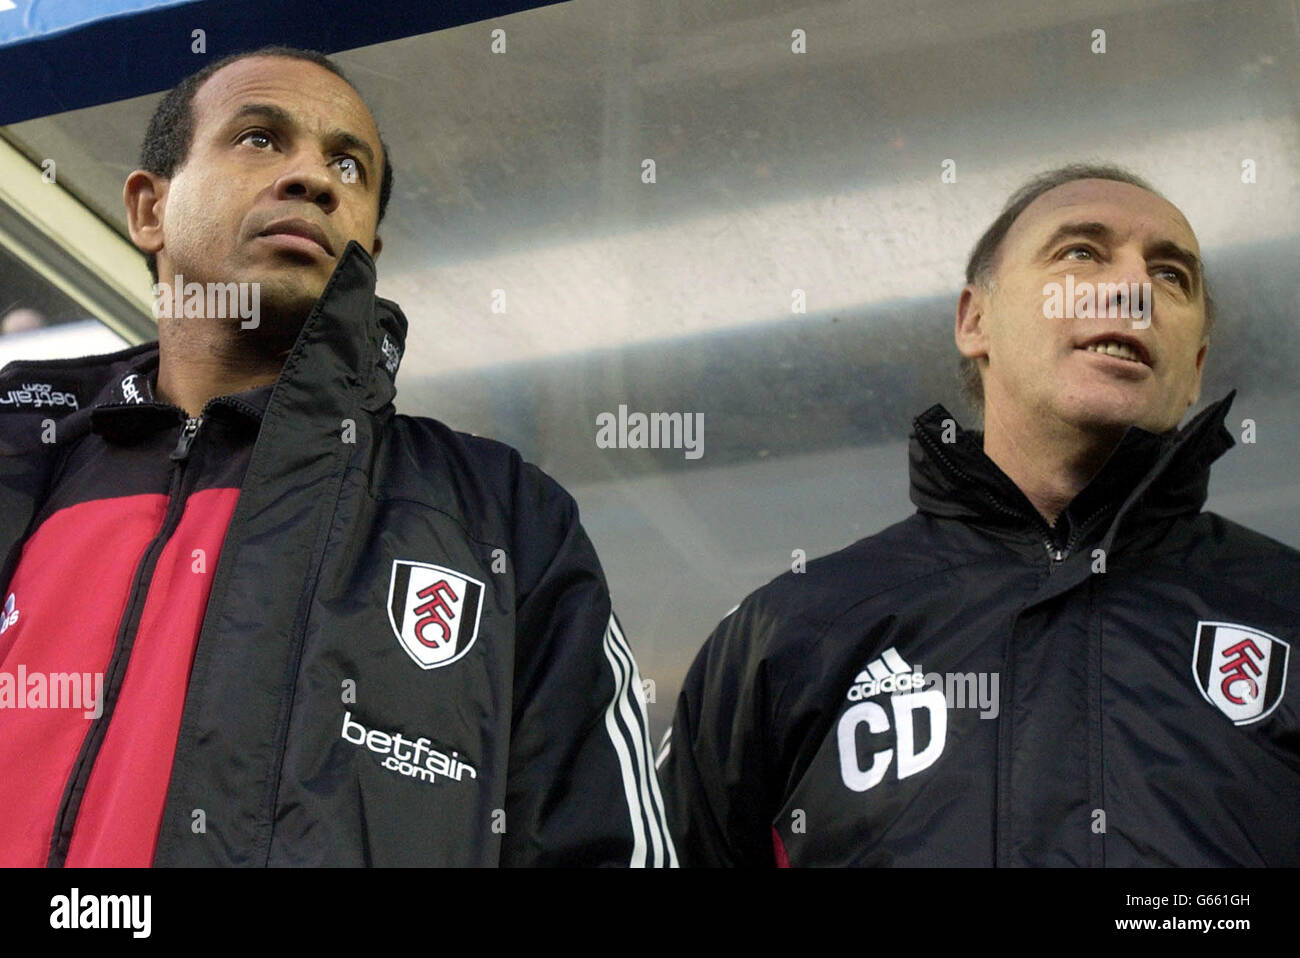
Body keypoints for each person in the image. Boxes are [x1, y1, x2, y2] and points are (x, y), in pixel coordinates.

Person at [0, 45, 674, 867]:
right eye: (258, 138)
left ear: (368, 250)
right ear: (150, 208)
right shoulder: (23, 459)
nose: (314, 179)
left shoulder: (502, 519)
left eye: (348, 166)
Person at [657, 164, 1299, 866]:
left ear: (1196, 366)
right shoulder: (790, 632)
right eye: (1080, 253)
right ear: (975, 320)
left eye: (1172, 276)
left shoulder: (1284, 606)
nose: (1134, 288)